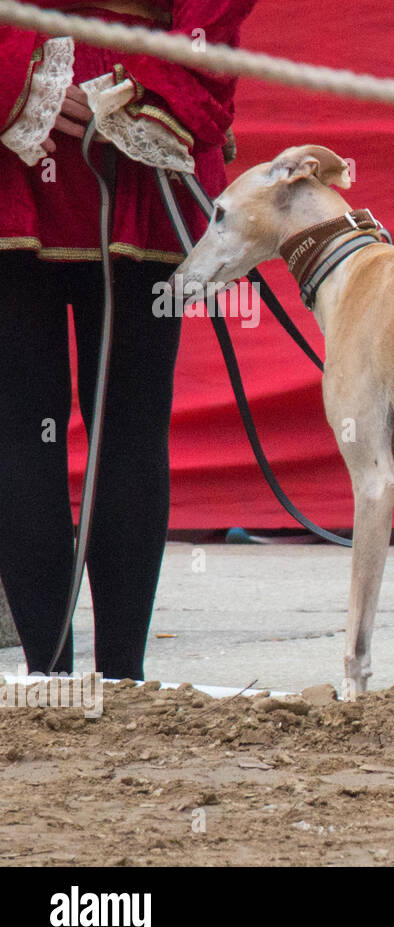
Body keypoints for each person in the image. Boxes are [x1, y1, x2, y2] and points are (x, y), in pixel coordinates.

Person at [0, 0, 256, 679]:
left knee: (27, 427)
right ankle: (115, 680)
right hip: (105, 101)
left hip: (88, 118)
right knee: (121, 427)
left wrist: (25, 76)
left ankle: (57, 681)